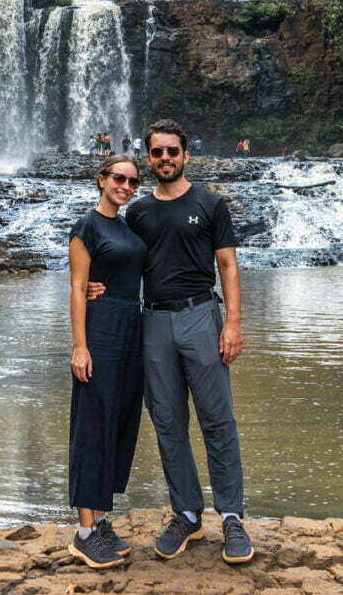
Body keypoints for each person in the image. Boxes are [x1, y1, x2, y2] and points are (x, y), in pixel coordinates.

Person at [115, 119, 252, 564]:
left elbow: (228, 266)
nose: (165, 159)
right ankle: (187, 514)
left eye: (172, 151)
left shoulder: (211, 204)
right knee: (169, 423)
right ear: (148, 158)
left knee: (218, 420)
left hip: (200, 317)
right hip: (152, 321)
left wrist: (232, 323)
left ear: (185, 155)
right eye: (157, 153)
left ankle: (231, 517)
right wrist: (94, 288)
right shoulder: (137, 213)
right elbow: (120, 263)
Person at [66, 154, 146, 569]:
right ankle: (83, 533)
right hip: (101, 329)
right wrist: (80, 347)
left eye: (133, 181)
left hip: (133, 326)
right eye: (119, 178)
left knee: (120, 420)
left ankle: (100, 521)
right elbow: (79, 288)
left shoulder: (127, 226)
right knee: (93, 422)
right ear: (101, 180)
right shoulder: (87, 226)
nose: (126, 186)